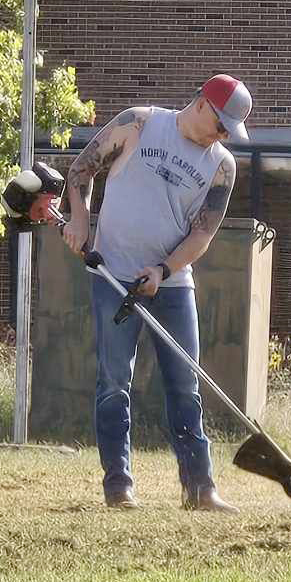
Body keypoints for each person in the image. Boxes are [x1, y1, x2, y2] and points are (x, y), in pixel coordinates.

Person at [63, 75, 251, 511]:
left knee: (186, 386)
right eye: (221, 125)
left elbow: (202, 235)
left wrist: (164, 268)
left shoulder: (222, 167)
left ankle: (200, 489)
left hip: (172, 284)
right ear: (202, 103)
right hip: (113, 275)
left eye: (229, 131)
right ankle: (118, 487)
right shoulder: (140, 123)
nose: (223, 136)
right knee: (114, 382)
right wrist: (79, 220)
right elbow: (80, 171)